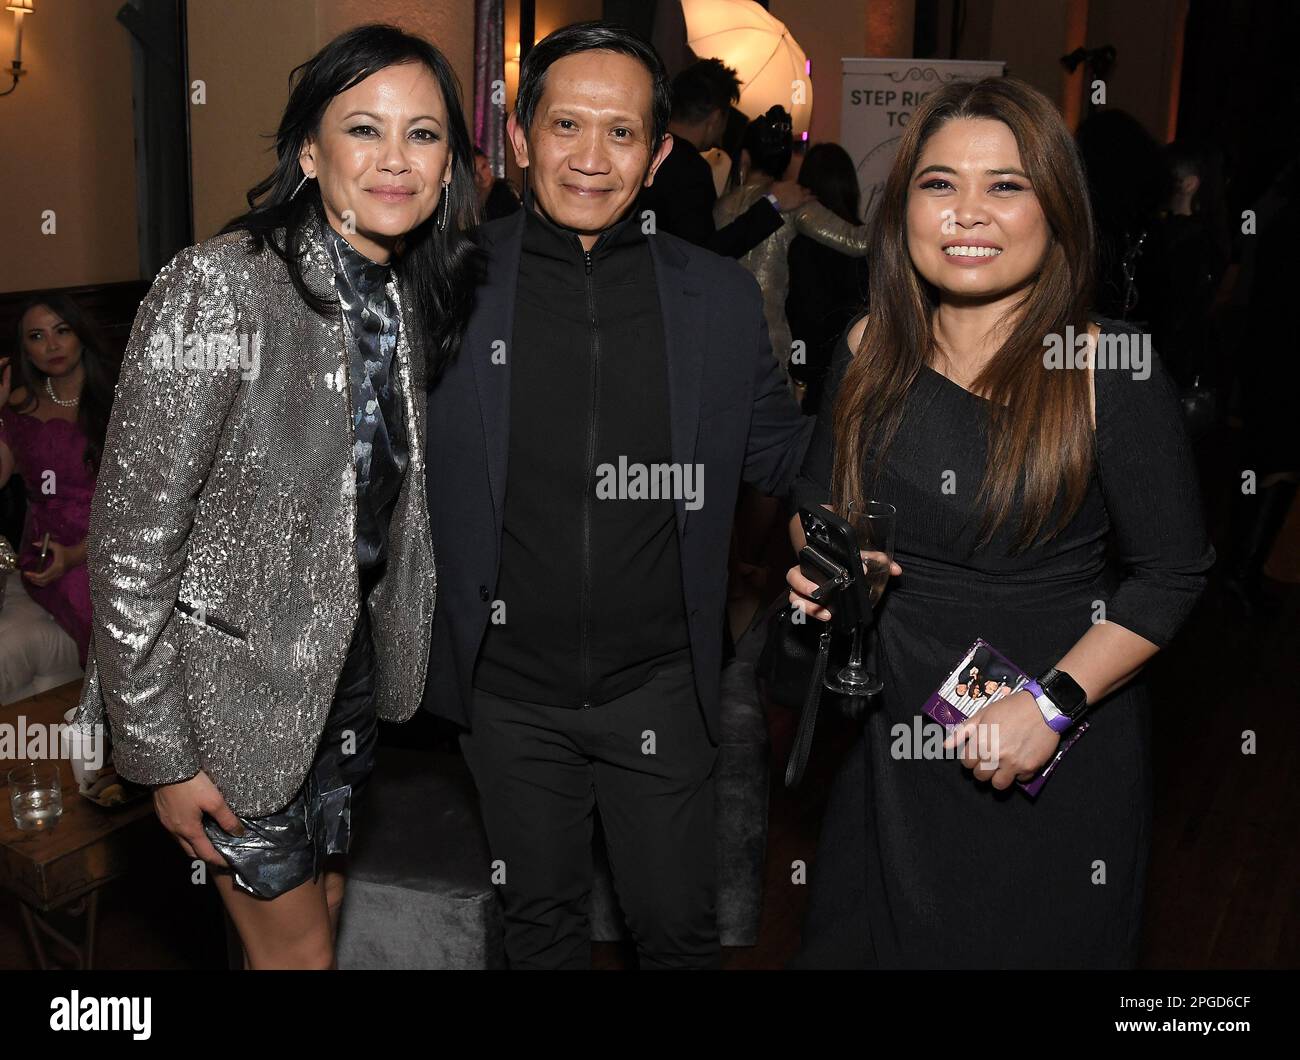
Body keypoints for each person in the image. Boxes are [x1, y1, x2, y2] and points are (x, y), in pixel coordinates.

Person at [72, 24, 480, 969]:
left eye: (422, 134)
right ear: (308, 152)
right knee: (298, 957)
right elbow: (131, 543)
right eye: (363, 129)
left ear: (448, 164)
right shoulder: (220, 287)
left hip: (340, 685)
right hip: (225, 707)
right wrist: (165, 757)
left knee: (322, 912)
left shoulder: (402, 293)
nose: (395, 159)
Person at [786, 78, 1214, 968]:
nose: (967, 213)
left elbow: (1171, 575)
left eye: (1006, 185)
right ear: (903, 210)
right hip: (894, 721)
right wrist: (831, 569)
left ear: (1055, 209)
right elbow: (818, 507)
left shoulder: (1109, 367)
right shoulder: (868, 349)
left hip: (1051, 733)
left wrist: (1050, 707)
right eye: (939, 183)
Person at [422, 20, 812, 969]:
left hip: (661, 686)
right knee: (539, 932)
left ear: (658, 154)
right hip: (507, 695)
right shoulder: (445, 285)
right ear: (523, 138)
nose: (591, 158)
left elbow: (785, 455)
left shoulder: (716, 300)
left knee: (678, 931)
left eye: (622, 132)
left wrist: (894, 427)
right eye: (566, 125)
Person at [0, 295, 118, 667]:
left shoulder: (122, 398)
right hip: (52, 552)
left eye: (62, 331)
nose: (51, 345)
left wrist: (84, 551)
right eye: (37, 336)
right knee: (106, 618)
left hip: (120, 537)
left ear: (80, 335)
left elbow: (143, 500)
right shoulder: (19, 406)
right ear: (25, 351)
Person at [715, 107, 871, 374]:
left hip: (720, 338)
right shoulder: (793, 203)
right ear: (786, 160)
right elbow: (857, 241)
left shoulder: (719, 207)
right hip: (770, 344)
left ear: (745, 158)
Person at [638, 57, 810, 255]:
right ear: (716, 118)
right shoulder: (691, 168)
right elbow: (706, 254)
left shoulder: (643, 148)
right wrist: (772, 203)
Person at [786, 142, 870, 414]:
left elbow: (802, 314)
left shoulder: (803, 245)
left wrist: (800, 369)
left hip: (819, 372)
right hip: (864, 367)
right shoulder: (868, 244)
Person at [473, 145, 521, 220]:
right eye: (475, 173)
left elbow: (519, 220)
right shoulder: (469, 197)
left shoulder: (504, 190)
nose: (482, 176)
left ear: (488, 163)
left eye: (484, 167)